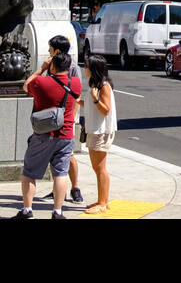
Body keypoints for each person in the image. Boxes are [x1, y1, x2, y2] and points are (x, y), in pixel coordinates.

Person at [17, 51, 82, 219]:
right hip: (66, 134)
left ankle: (27, 210)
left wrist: (41, 69)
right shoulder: (75, 83)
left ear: (53, 66)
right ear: (69, 67)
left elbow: (26, 86)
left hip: (43, 134)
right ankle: (57, 211)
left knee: (30, 172)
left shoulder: (41, 82)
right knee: (60, 173)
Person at [27, 35, 85, 205]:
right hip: (49, 119)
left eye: (50, 48)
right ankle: (57, 192)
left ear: (57, 50)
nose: (48, 51)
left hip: (65, 119)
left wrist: (72, 118)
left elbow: (76, 95)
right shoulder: (52, 65)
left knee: (69, 156)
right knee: (59, 159)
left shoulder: (71, 67)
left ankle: (75, 188)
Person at [82, 54, 117, 214]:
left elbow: (105, 109)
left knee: (100, 168)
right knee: (98, 168)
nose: (85, 68)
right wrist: (80, 101)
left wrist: (95, 99)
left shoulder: (103, 86)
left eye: (87, 66)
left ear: (94, 69)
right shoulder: (94, 84)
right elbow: (91, 105)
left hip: (101, 131)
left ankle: (102, 203)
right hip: (94, 129)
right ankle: (102, 199)